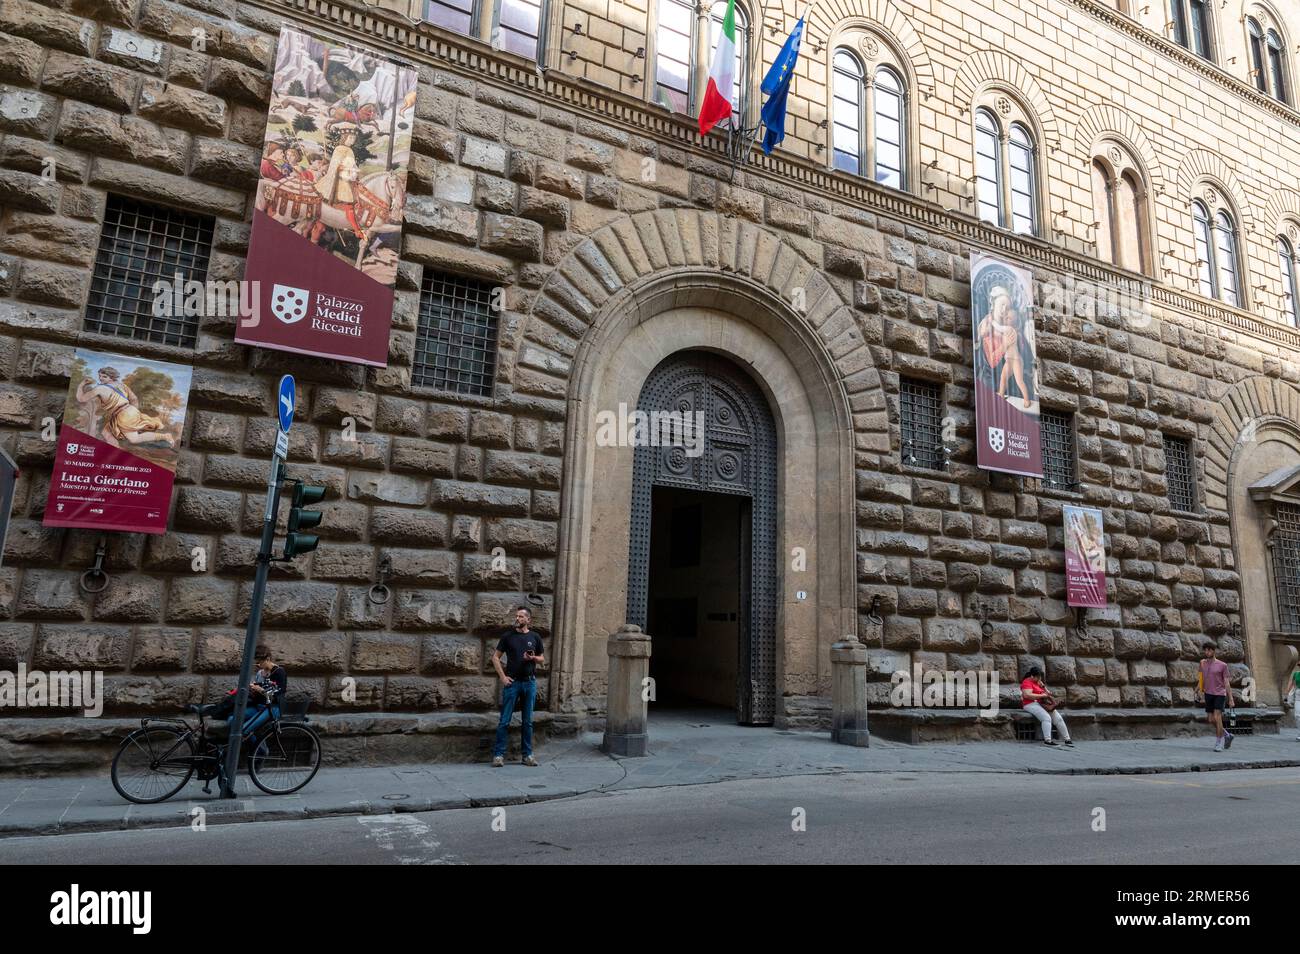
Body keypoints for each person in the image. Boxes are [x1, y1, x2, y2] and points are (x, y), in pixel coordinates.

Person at [490, 607, 544, 768]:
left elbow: (542, 659)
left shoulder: (535, 637)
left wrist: (533, 657)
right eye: (517, 616)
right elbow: (495, 657)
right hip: (512, 683)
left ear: (528, 620)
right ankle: (498, 755)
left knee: (527, 722)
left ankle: (527, 755)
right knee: (504, 721)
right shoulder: (508, 636)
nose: (518, 618)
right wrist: (503, 677)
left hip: (529, 683)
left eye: (521, 616)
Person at [76, 366, 176, 451]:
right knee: (106, 432)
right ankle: (116, 452)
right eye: (100, 376)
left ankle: (165, 436)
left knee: (134, 439)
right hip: (130, 410)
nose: (101, 379)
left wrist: (82, 384)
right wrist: (133, 412)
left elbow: (81, 399)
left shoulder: (99, 388)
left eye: (104, 376)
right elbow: (134, 399)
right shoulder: (122, 385)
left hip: (123, 415)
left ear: (111, 377)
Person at [211, 645, 287, 735]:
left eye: (260, 662)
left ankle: (261, 749)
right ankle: (256, 746)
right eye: (256, 662)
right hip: (257, 706)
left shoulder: (279, 672)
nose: (258, 665)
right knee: (232, 719)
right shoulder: (260, 673)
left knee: (243, 729)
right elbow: (257, 691)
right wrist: (251, 690)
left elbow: (277, 695)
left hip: (272, 708)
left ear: (268, 659)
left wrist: (259, 689)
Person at [1021, 665, 1073, 747]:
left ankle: (1067, 739)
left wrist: (1044, 687)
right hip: (1030, 704)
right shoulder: (1026, 682)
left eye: (1040, 677)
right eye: (1037, 677)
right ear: (1032, 676)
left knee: (1058, 718)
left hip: (1042, 703)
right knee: (1046, 718)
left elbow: (1047, 693)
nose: (1039, 679)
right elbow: (1027, 695)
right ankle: (1048, 740)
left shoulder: (1038, 682)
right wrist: (1043, 696)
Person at [1197, 641, 1234, 751]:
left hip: (1219, 694)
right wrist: (1198, 689)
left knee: (1217, 717)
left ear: (1213, 651)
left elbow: (1227, 683)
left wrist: (1230, 698)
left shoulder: (1222, 665)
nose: (1207, 652)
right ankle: (1227, 735)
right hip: (1208, 693)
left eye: (1209, 650)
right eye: (1205, 650)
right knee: (1210, 719)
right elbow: (1201, 677)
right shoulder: (1202, 663)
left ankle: (1219, 743)